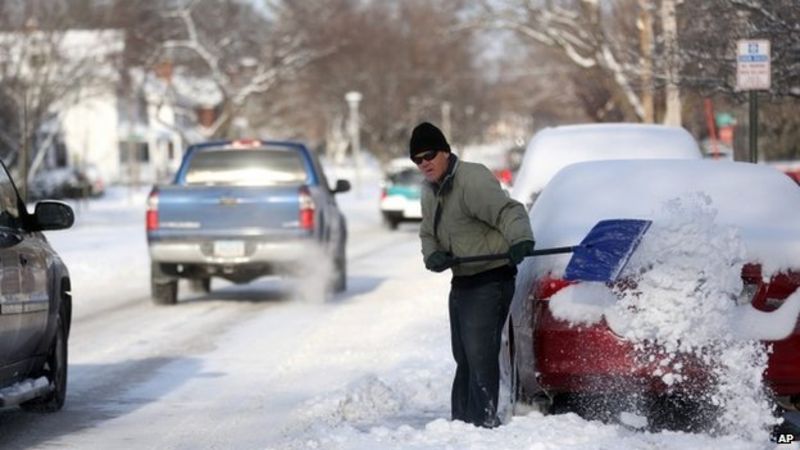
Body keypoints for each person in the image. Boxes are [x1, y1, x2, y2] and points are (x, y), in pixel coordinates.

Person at [411, 121, 535, 428]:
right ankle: (462, 426)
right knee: (464, 358)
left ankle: (483, 426)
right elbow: (428, 232)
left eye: (428, 155)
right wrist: (434, 255)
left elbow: (509, 211)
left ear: (445, 152)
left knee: (480, 359)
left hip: (491, 277)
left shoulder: (472, 178)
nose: (424, 163)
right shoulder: (430, 191)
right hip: (463, 280)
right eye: (417, 159)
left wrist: (521, 239)